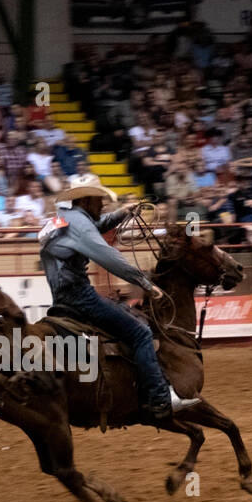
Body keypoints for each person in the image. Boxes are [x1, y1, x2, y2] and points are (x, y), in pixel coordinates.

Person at [39, 174, 199, 420]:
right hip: (79, 296)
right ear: (86, 200)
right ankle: (159, 398)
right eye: (99, 199)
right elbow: (108, 256)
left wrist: (123, 213)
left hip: (62, 296)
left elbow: (95, 226)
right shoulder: (80, 224)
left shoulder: (65, 218)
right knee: (141, 332)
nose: (103, 203)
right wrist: (143, 282)